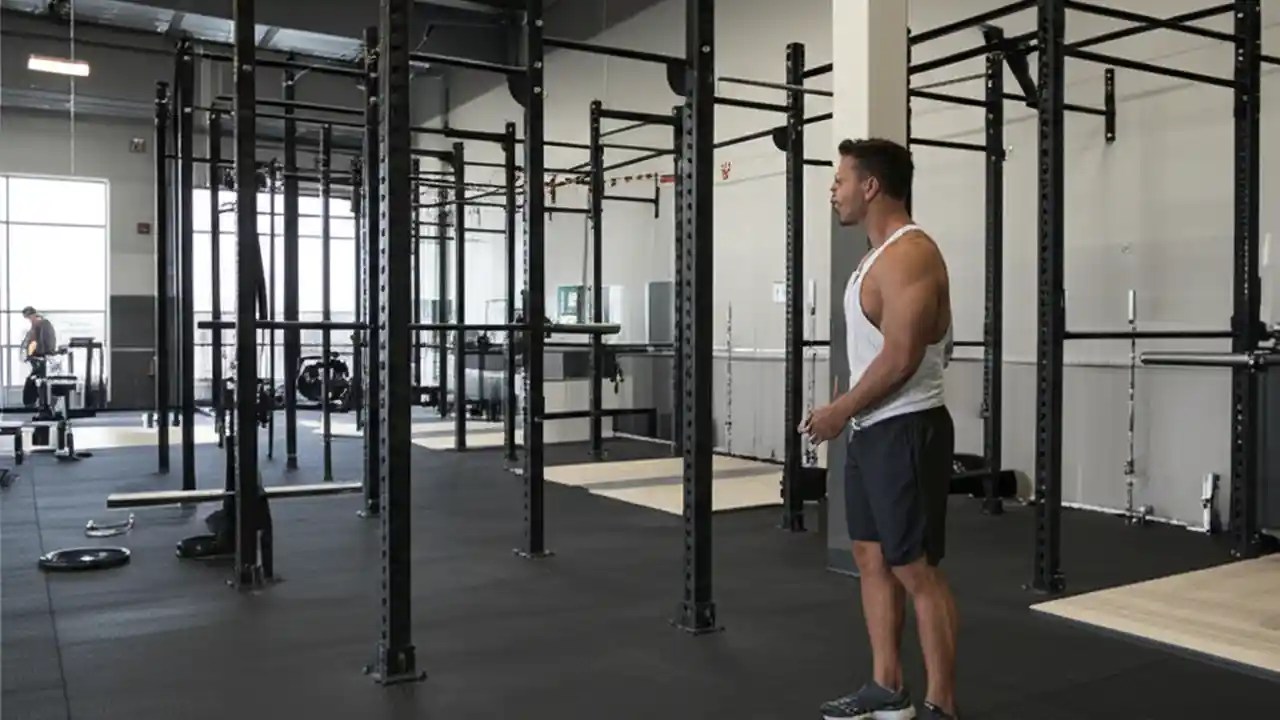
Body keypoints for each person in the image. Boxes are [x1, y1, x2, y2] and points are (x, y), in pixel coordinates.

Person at [802, 138, 959, 720]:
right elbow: (874, 356)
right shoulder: (873, 257)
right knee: (870, 557)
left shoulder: (910, 255)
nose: (833, 190)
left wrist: (840, 411)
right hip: (872, 429)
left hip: (908, 429)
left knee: (915, 567)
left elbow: (901, 358)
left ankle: (942, 704)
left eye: (840, 179)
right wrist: (845, 406)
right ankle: (887, 688)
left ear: (870, 186)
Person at [21, 307, 58, 416]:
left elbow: (46, 343)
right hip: (37, 358)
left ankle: (44, 406)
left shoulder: (44, 325)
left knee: (42, 383)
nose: (29, 320)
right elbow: (30, 341)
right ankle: (39, 405)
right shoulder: (35, 326)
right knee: (37, 382)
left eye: (29, 317)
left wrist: (43, 353)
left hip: (44, 358)